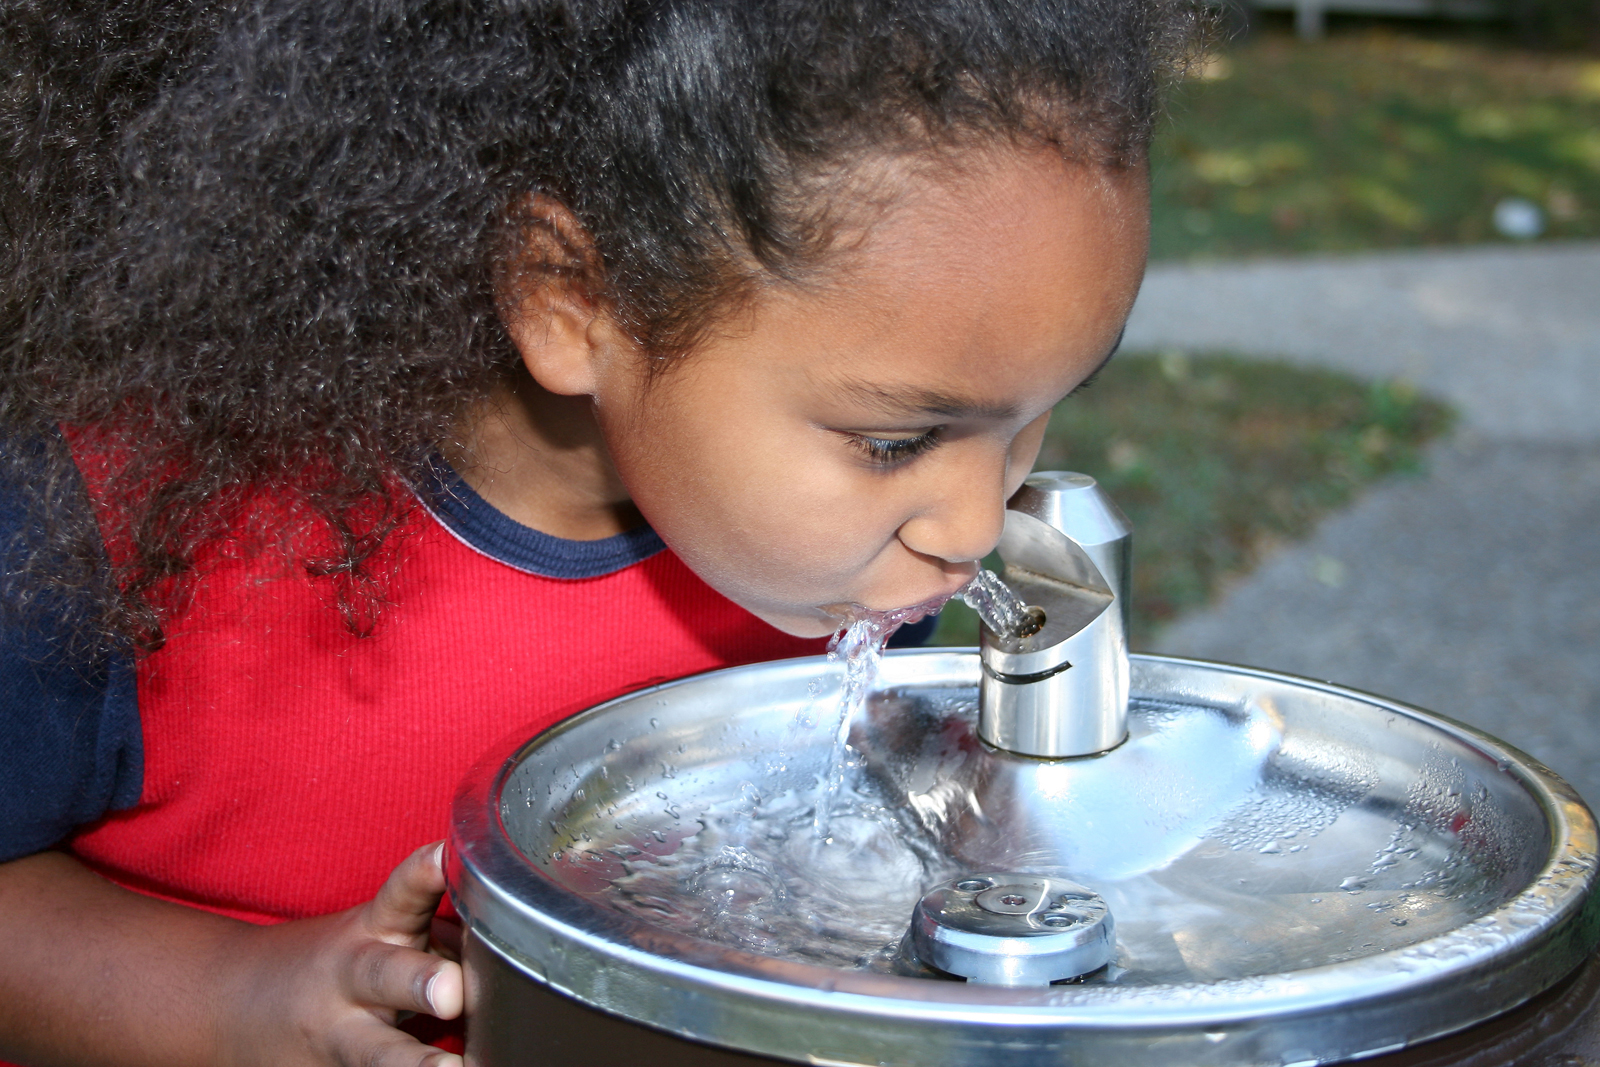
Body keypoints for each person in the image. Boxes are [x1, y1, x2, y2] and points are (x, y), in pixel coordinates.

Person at [0, 1, 1196, 1063]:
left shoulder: (849, 576)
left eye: (1035, 418)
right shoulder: (110, 530)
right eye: (894, 441)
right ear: (571, 299)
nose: (975, 526)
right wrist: (231, 1002)